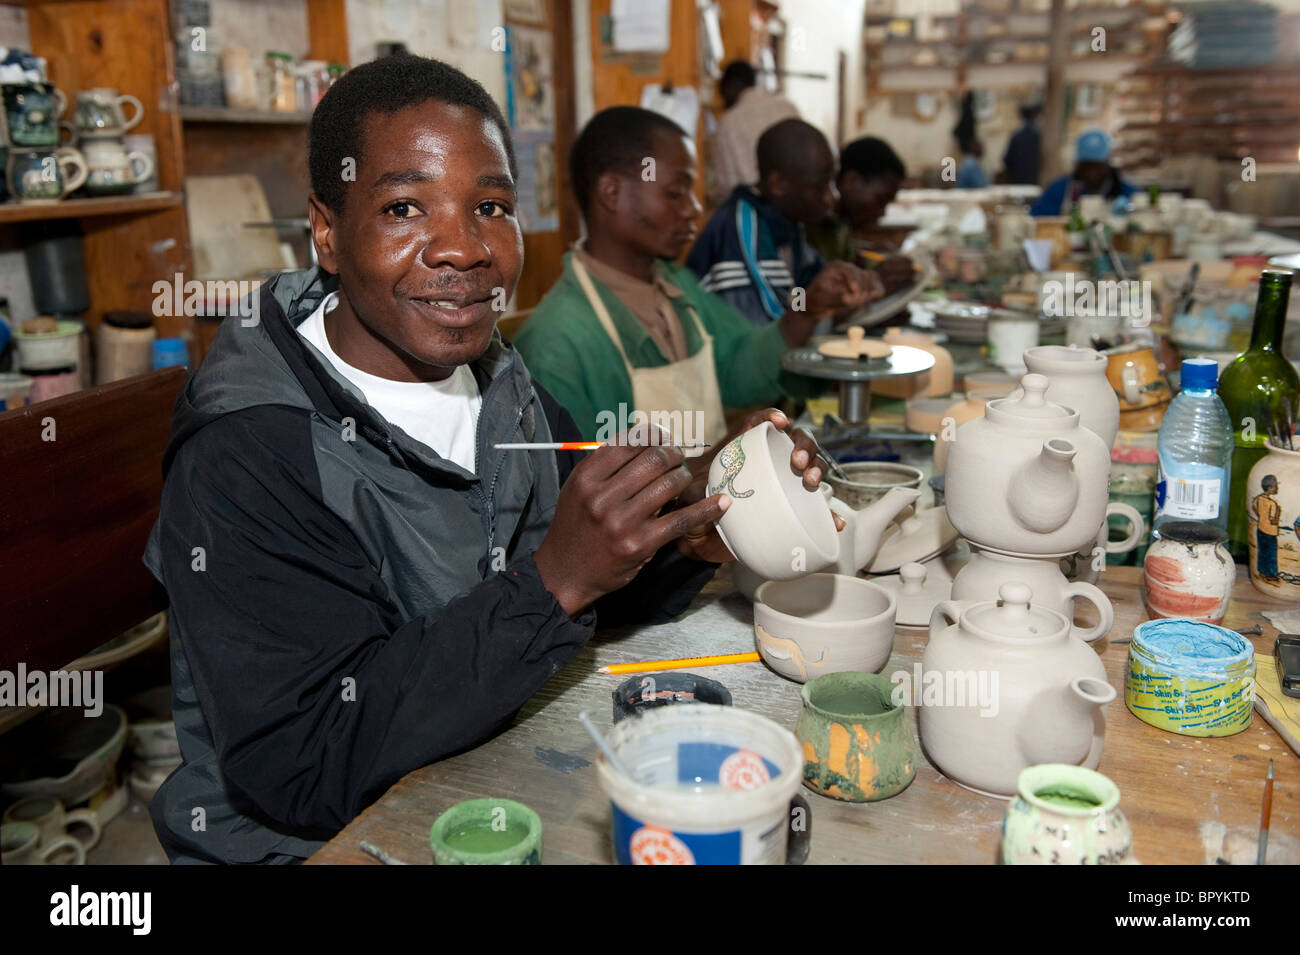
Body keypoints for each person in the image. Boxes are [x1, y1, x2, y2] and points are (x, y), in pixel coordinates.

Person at [142, 55, 830, 864]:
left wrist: (686, 523)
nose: (463, 249)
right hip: (318, 839)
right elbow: (302, 759)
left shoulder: (502, 381)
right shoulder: (248, 456)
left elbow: (586, 581)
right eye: (405, 207)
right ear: (326, 232)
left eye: (491, 207)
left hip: (482, 767)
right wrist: (554, 580)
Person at [514, 108, 876, 443]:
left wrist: (808, 310)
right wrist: (709, 465)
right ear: (612, 193)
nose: (695, 209)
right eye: (675, 193)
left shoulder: (676, 285)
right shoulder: (557, 343)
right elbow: (584, 492)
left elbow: (739, 372)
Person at [687, 118, 879, 328]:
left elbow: (801, 294)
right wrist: (830, 310)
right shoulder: (742, 228)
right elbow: (769, 330)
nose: (833, 196)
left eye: (833, 181)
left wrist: (850, 287)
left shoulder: (787, 221)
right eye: (820, 186)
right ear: (779, 184)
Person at [805, 135, 915, 294]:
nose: (882, 212)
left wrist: (869, 259)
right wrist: (874, 281)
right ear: (852, 181)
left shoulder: (844, 224)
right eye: (881, 199)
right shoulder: (809, 226)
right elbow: (811, 301)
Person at [708, 59, 800, 204]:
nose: (723, 100)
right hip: (794, 204)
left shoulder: (729, 122)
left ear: (730, 86)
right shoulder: (788, 106)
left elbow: (726, 186)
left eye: (722, 92)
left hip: (754, 210)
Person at [1031, 129, 1136, 216]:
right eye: (1086, 165)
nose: (1091, 172)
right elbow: (1038, 218)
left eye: (1097, 165)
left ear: (1107, 163)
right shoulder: (1059, 190)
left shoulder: (1126, 192)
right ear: (1078, 164)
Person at [1002, 102, 1041, 186]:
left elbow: (1007, 160)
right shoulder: (1040, 136)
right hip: (1035, 180)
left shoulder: (1016, 136)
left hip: (1018, 181)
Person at [1252, 475, 1282, 582]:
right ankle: (1271, 574)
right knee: (1271, 554)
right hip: (1270, 532)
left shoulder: (1259, 498)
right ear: (1269, 488)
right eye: (1275, 487)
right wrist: (1278, 513)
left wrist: (1261, 517)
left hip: (1261, 529)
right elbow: (1273, 521)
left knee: (1262, 551)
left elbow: (1254, 507)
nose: (1276, 489)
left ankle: (1262, 572)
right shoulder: (1272, 504)